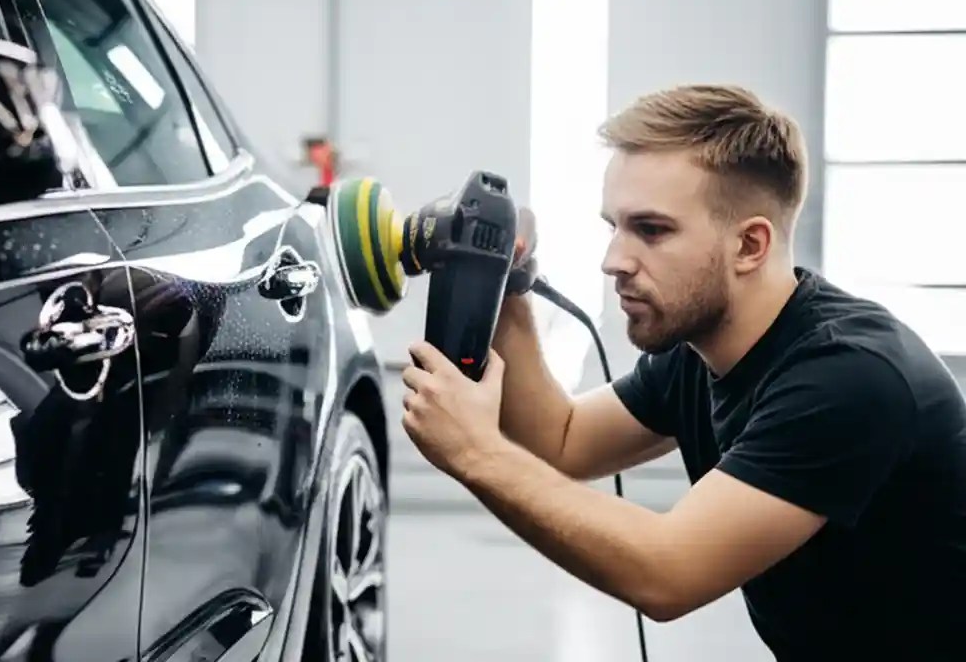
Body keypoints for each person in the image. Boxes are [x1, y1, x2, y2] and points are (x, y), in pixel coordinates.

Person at [399, 83, 966, 660]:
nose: (613, 261)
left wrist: (476, 453)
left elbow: (667, 572)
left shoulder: (848, 377)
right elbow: (562, 441)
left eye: (651, 230)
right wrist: (505, 284)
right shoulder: (699, 350)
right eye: (614, 227)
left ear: (750, 245)